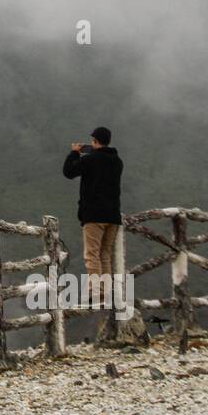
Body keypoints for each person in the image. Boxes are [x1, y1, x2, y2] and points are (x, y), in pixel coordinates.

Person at [62, 126, 123, 313]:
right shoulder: (118, 161)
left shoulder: (91, 159)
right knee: (105, 254)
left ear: (95, 141)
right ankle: (106, 291)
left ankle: (95, 292)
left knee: (92, 255)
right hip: (113, 215)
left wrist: (74, 153)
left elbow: (69, 172)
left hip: (94, 215)